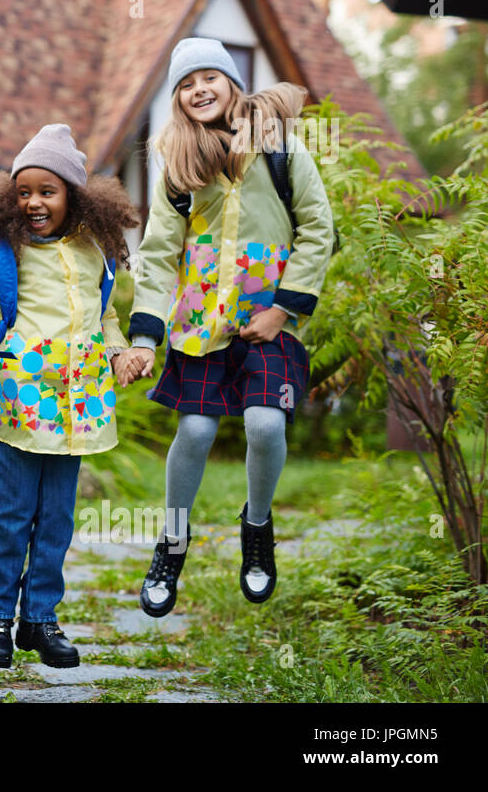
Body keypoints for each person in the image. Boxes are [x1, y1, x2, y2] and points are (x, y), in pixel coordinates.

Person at [117, 37, 334, 617]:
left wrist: (282, 310)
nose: (198, 90)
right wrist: (143, 336)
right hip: (200, 326)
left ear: (231, 82)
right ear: (178, 100)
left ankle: (256, 530)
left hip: (271, 322)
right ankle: (172, 542)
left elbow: (318, 229)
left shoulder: (281, 149)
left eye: (208, 77)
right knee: (195, 434)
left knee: (265, 425)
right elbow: (160, 253)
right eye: (185, 84)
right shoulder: (178, 167)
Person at [0, 124, 138, 669]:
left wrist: (119, 354)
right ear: (9, 197)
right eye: (25, 192)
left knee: (58, 518)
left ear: (74, 193)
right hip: (17, 401)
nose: (35, 202)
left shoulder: (95, 249)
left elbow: (105, 314)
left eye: (48, 191)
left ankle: (40, 620)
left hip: (79, 407)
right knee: (13, 515)